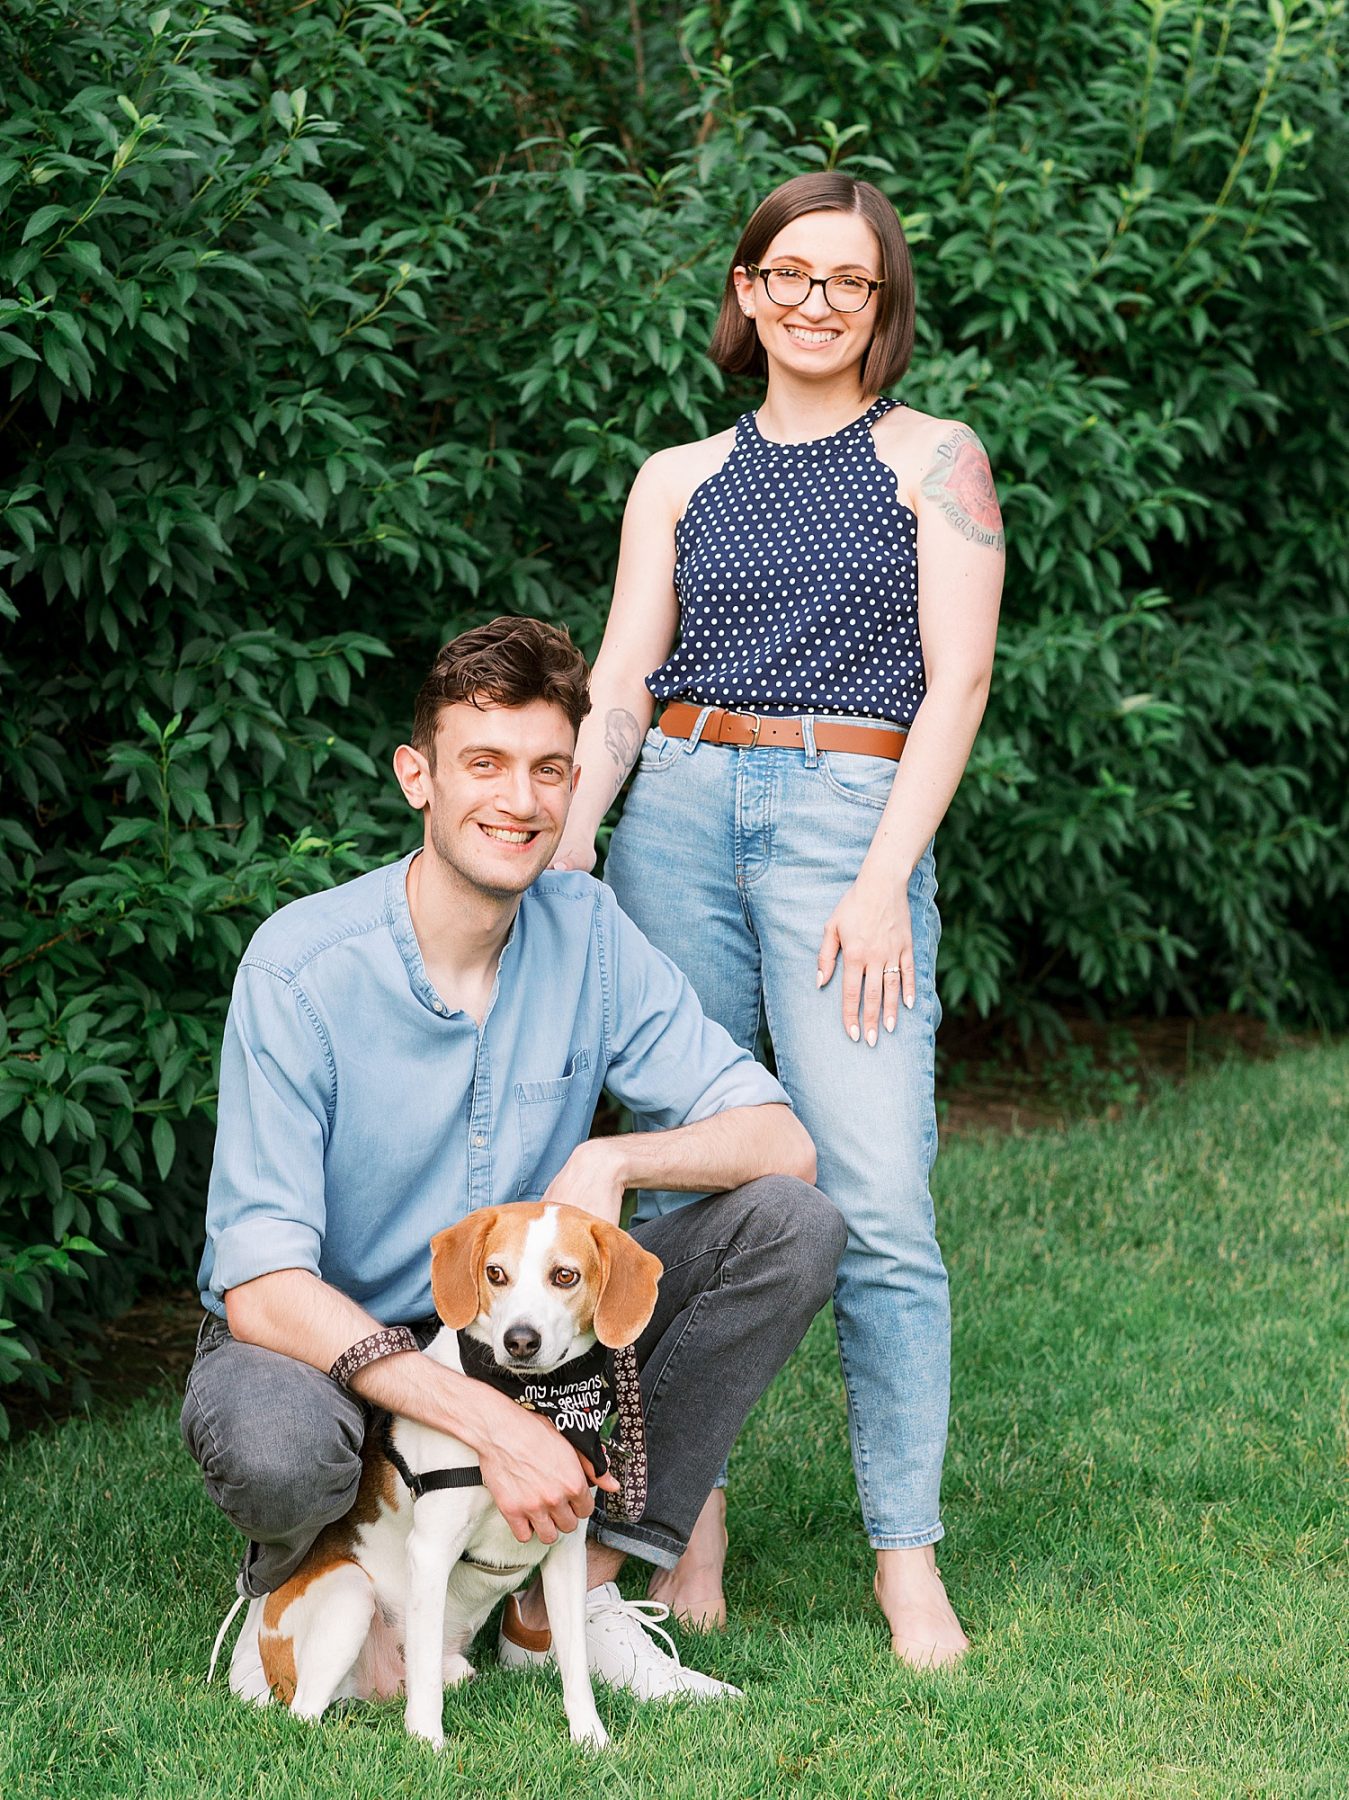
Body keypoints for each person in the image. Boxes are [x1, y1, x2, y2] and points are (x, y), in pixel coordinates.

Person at [182, 615, 846, 1705]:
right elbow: (260, 1282)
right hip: (325, 1345)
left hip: (522, 1327)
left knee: (789, 1226)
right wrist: (488, 1422)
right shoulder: (301, 969)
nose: (519, 800)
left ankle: (562, 1597)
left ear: (573, 783)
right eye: (481, 764)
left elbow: (782, 1143)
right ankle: (310, 1582)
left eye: (547, 770)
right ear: (417, 778)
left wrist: (615, 1157)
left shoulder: (587, 934)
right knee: (276, 1446)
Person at [550, 172, 1005, 1666]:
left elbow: (958, 683)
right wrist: (570, 842)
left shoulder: (935, 459)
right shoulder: (676, 476)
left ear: (882, 309)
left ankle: (906, 1559)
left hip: (842, 828)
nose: (815, 304)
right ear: (746, 291)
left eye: (848, 284)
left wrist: (883, 878)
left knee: (874, 1199)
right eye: (788, 276)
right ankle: (684, 1521)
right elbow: (620, 684)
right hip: (674, 811)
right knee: (685, 1192)